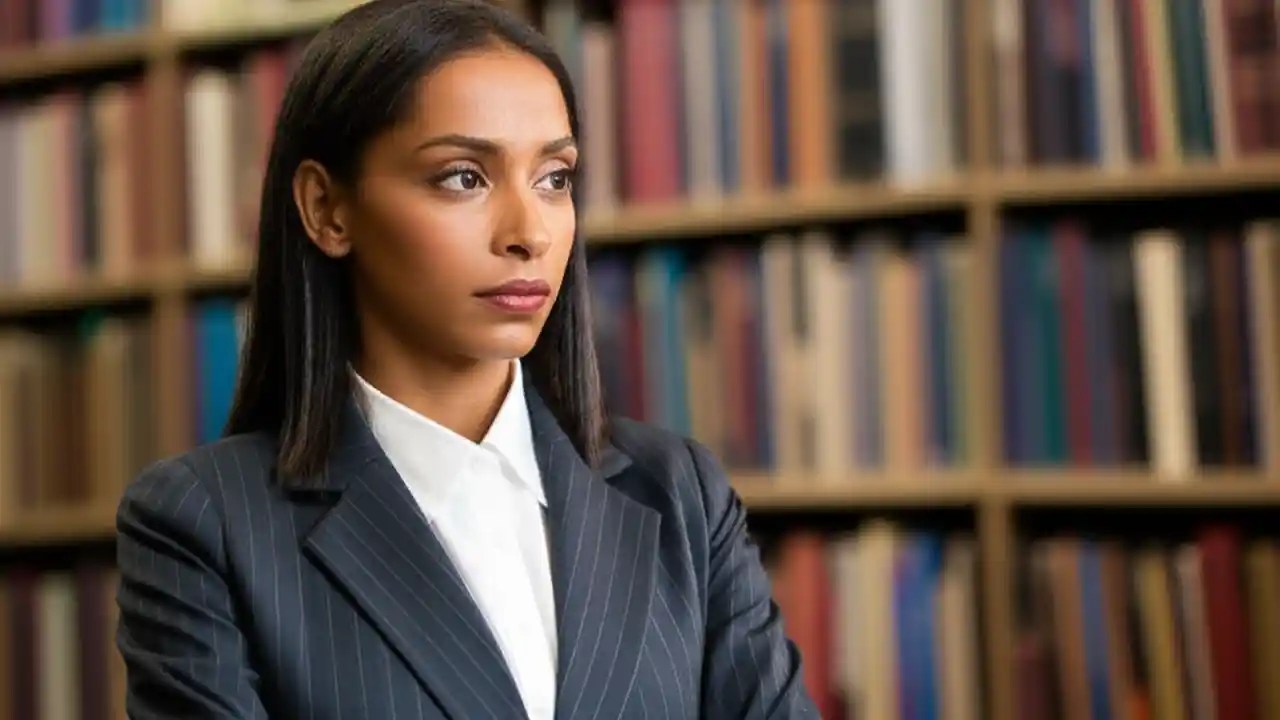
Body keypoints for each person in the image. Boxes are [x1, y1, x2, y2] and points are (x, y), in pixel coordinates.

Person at [114, 0, 817, 717]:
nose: (528, 234)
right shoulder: (203, 525)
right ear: (327, 209)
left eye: (554, 179)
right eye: (463, 177)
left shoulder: (679, 497)